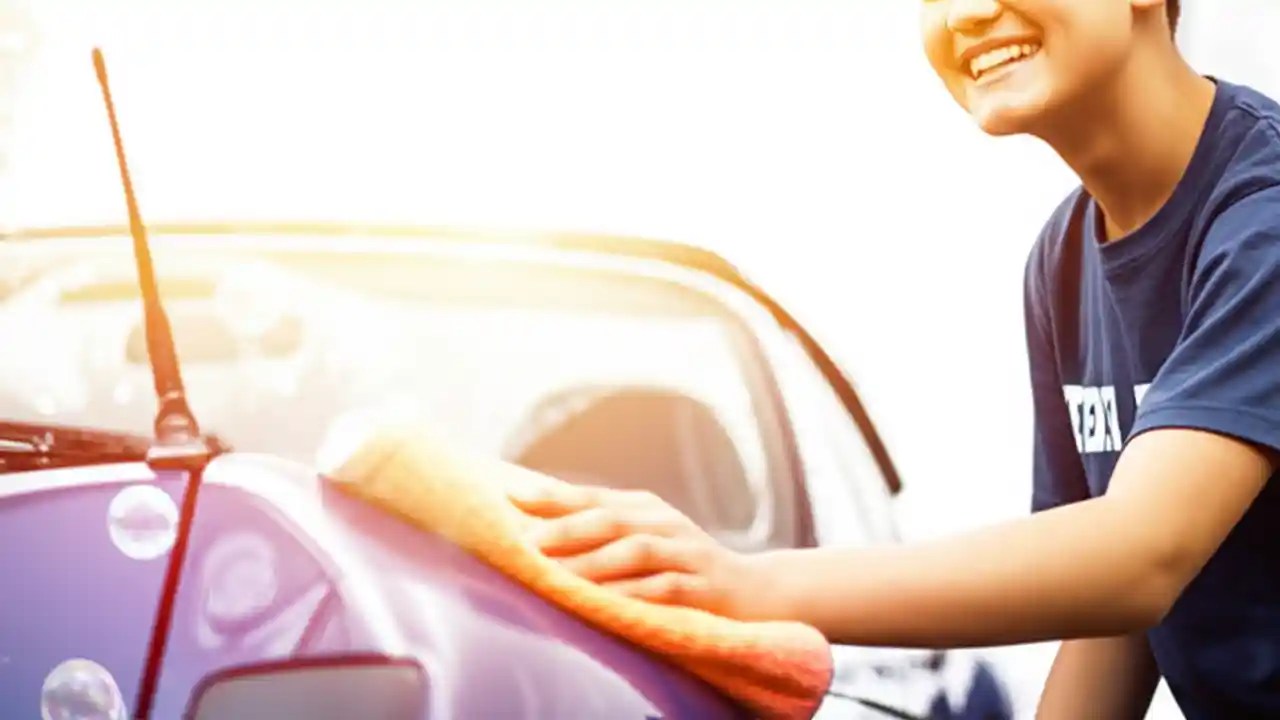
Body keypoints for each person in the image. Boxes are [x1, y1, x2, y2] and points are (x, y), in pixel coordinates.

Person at [506, 1, 1280, 718]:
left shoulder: (1264, 215)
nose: (966, 14)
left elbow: (1137, 559)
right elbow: (1105, 615)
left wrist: (742, 582)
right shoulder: (1064, 260)